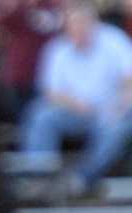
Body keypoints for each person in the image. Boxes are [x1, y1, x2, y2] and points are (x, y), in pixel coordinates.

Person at [20, 2, 132, 196]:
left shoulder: (114, 40)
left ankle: (81, 177)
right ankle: (39, 177)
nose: (78, 30)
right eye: (73, 25)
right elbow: (50, 92)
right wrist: (76, 105)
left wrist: (122, 104)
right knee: (40, 114)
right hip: (73, 111)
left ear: (93, 23)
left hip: (111, 111)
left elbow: (129, 79)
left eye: (82, 24)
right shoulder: (57, 48)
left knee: (120, 126)